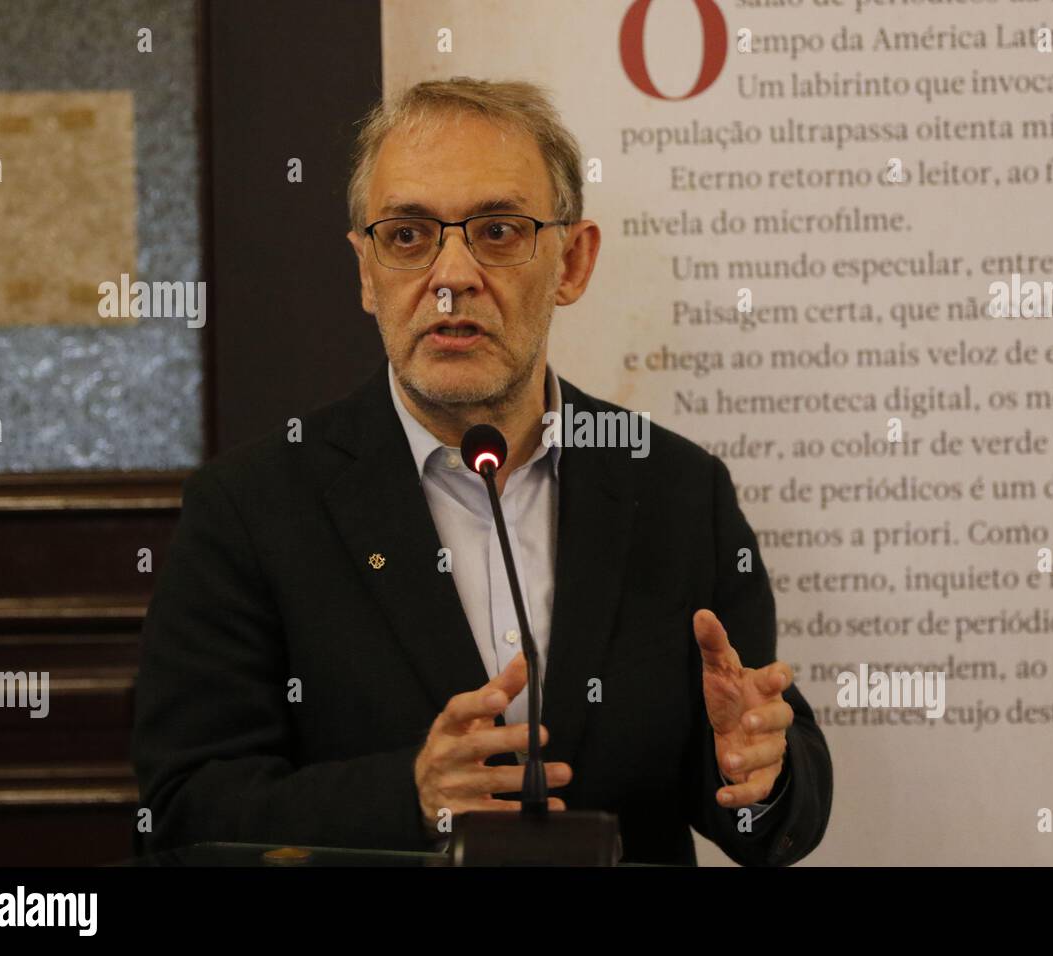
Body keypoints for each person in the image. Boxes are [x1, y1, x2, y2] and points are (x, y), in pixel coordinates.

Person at [131, 77, 832, 866]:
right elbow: (183, 812)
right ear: (366, 272)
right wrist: (412, 796)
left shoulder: (676, 490)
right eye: (407, 236)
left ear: (573, 262)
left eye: (498, 230)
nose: (451, 274)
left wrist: (760, 770)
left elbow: (764, 808)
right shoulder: (251, 509)